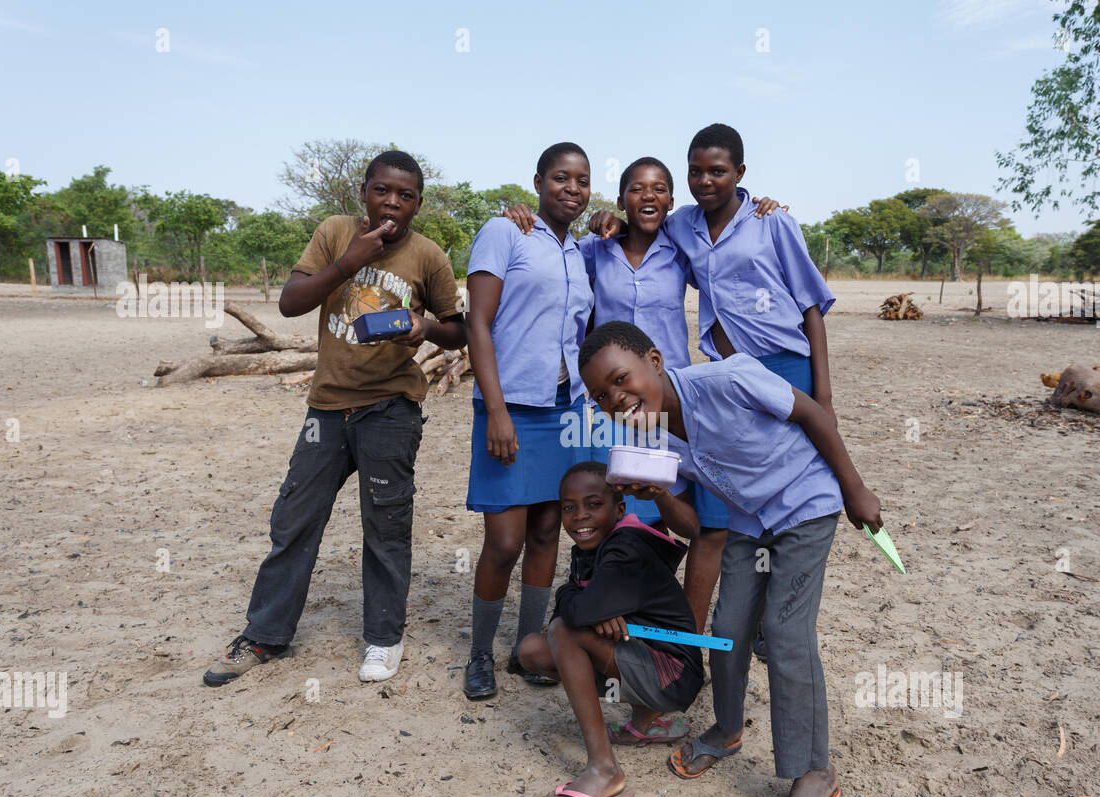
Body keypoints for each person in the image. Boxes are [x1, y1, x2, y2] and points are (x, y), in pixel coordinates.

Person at [578, 321, 883, 797]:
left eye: (621, 379)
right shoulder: (648, 433)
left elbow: (811, 413)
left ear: (655, 360)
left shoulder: (729, 379)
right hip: (749, 522)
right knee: (727, 631)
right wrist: (656, 496)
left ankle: (814, 770)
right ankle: (727, 727)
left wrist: (856, 489)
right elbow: (691, 528)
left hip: (806, 504)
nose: (616, 398)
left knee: (787, 634)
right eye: (601, 395)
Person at [204, 150, 465, 687]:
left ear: (419, 202)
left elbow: (457, 331)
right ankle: (263, 636)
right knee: (294, 519)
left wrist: (423, 328)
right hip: (326, 406)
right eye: (382, 191)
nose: (393, 202)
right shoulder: (333, 232)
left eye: (406, 195)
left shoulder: (428, 256)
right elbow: (290, 304)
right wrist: (349, 261)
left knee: (386, 526)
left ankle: (383, 640)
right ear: (364, 192)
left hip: (391, 407)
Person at [502, 157, 783, 628]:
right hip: (614, 410)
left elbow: (733, 260)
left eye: (658, 189)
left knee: (699, 520)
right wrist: (517, 218)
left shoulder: (681, 250)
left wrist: (758, 208)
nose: (647, 197)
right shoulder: (595, 249)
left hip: (674, 405)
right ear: (620, 201)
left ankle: (685, 640)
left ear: (672, 202)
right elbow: (556, 269)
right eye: (636, 189)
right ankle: (601, 615)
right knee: (616, 507)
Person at [461, 143, 595, 700]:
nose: (572, 188)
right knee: (504, 539)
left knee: (546, 531)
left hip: (567, 410)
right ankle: (479, 656)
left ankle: (526, 649)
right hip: (511, 407)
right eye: (561, 177)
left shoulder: (581, 251)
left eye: (583, 181)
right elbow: (477, 323)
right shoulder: (505, 232)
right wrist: (496, 410)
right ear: (538, 181)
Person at [517, 462, 704, 797]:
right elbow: (581, 605)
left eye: (592, 504)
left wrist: (578, 603)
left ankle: (604, 769)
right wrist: (581, 603)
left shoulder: (626, 547)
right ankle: (646, 721)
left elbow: (575, 613)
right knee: (532, 651)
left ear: (620, 509)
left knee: (563, 633)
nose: (579, 517)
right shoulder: (589, 547)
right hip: (648, 660)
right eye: (569, 507)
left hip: (672, 674)